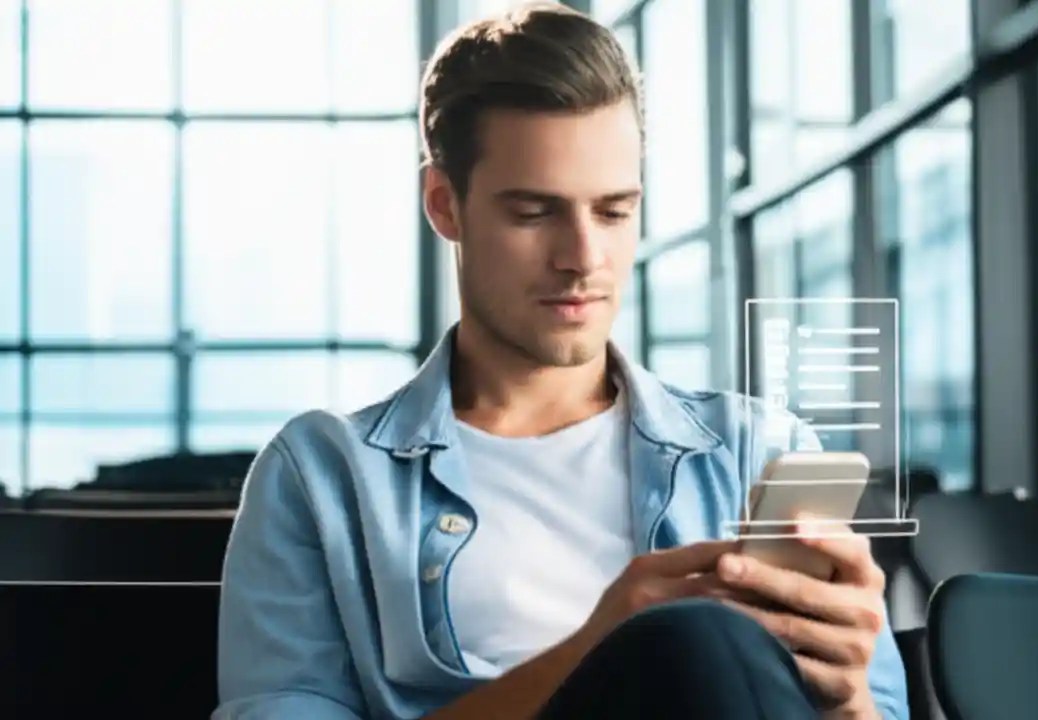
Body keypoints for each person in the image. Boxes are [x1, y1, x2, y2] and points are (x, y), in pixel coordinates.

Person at [213, 4, 908, 719]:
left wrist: (849, 700)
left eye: (613, 212)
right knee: (695, 640)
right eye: (534, 213)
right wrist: (599, 645)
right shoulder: (323, 478)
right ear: (444, 204)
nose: (583, 257)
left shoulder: (755, 450)